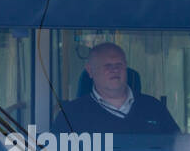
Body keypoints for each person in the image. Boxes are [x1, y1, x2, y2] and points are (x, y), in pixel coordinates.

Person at [52, 42, 180, 134]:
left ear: (126, 67)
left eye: (119, 64)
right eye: (107, 66)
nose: (115, 70)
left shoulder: (153, 108)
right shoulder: (70, 115)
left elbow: (178, 150)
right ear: (90, 71)